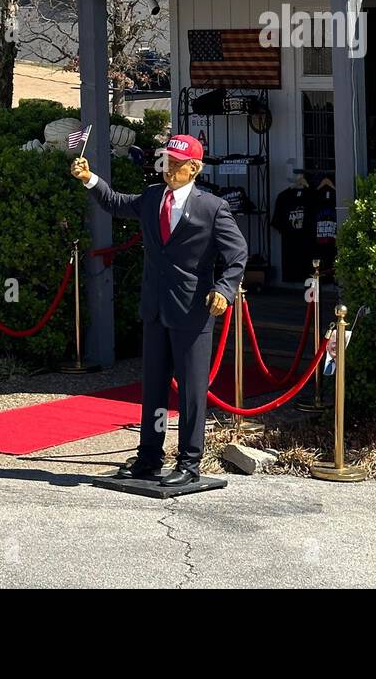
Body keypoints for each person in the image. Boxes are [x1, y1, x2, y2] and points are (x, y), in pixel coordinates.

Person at [71, 133, 246, 487]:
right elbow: (117, 202)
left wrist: (224, 290)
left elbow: (238, 254)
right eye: (167, 162)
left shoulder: (212, 208)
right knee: (152, 387)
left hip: (192, 310)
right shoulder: (152, 197)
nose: (170, 170)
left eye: (178, 165)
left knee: (192, 391)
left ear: (194, 168)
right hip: (155, 308)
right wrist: (90, 178)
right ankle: (150, 455)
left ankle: (190, 462)